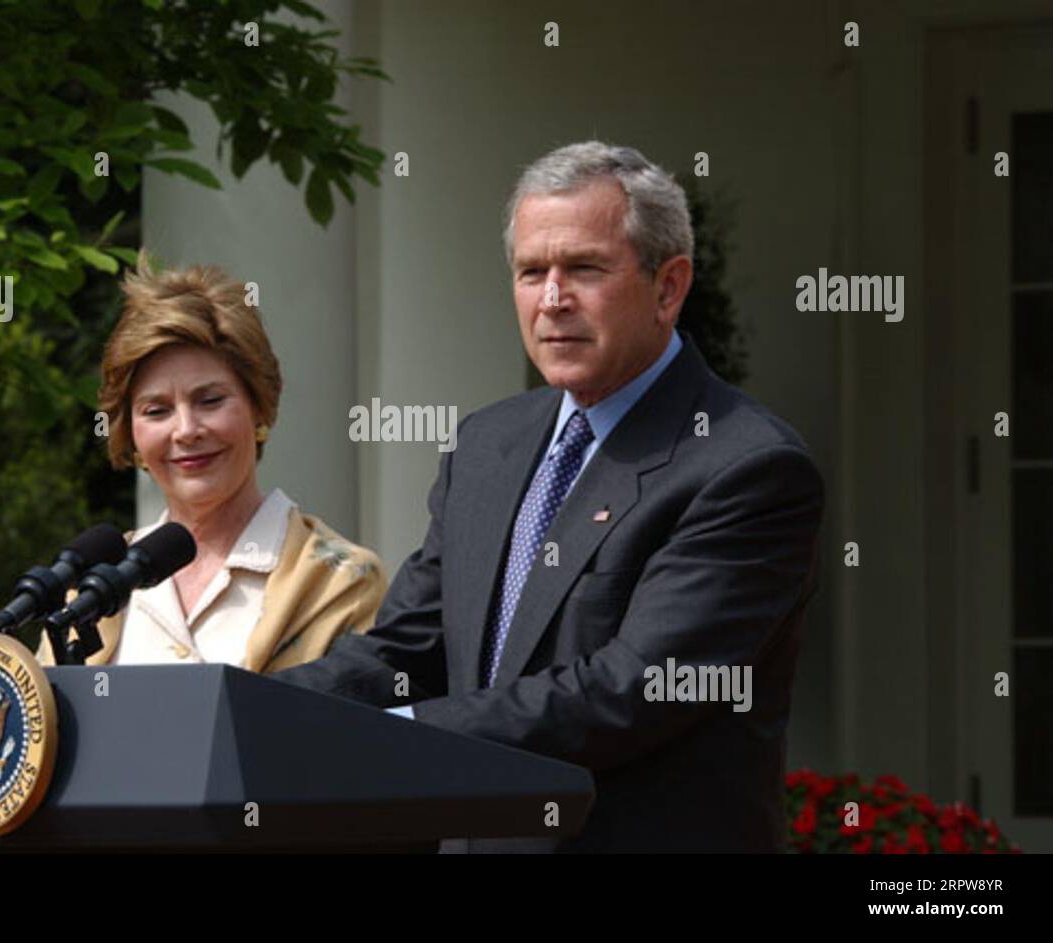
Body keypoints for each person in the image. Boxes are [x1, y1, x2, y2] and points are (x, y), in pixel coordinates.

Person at [275, 142, 825, 852]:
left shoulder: (747, 466)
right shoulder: (486, 442)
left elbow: (629, 691)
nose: (552, 298)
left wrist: (391, 738)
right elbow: (413, 644)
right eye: (531, 272)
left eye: (584, 269)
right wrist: (261, 706)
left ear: (669, 286)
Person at [38, 252, 385, 672]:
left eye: (210, 401)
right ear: (129, 431)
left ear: (258, 405)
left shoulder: (342, 582)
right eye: (156, 410)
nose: (186, 430)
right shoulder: (90, 588)